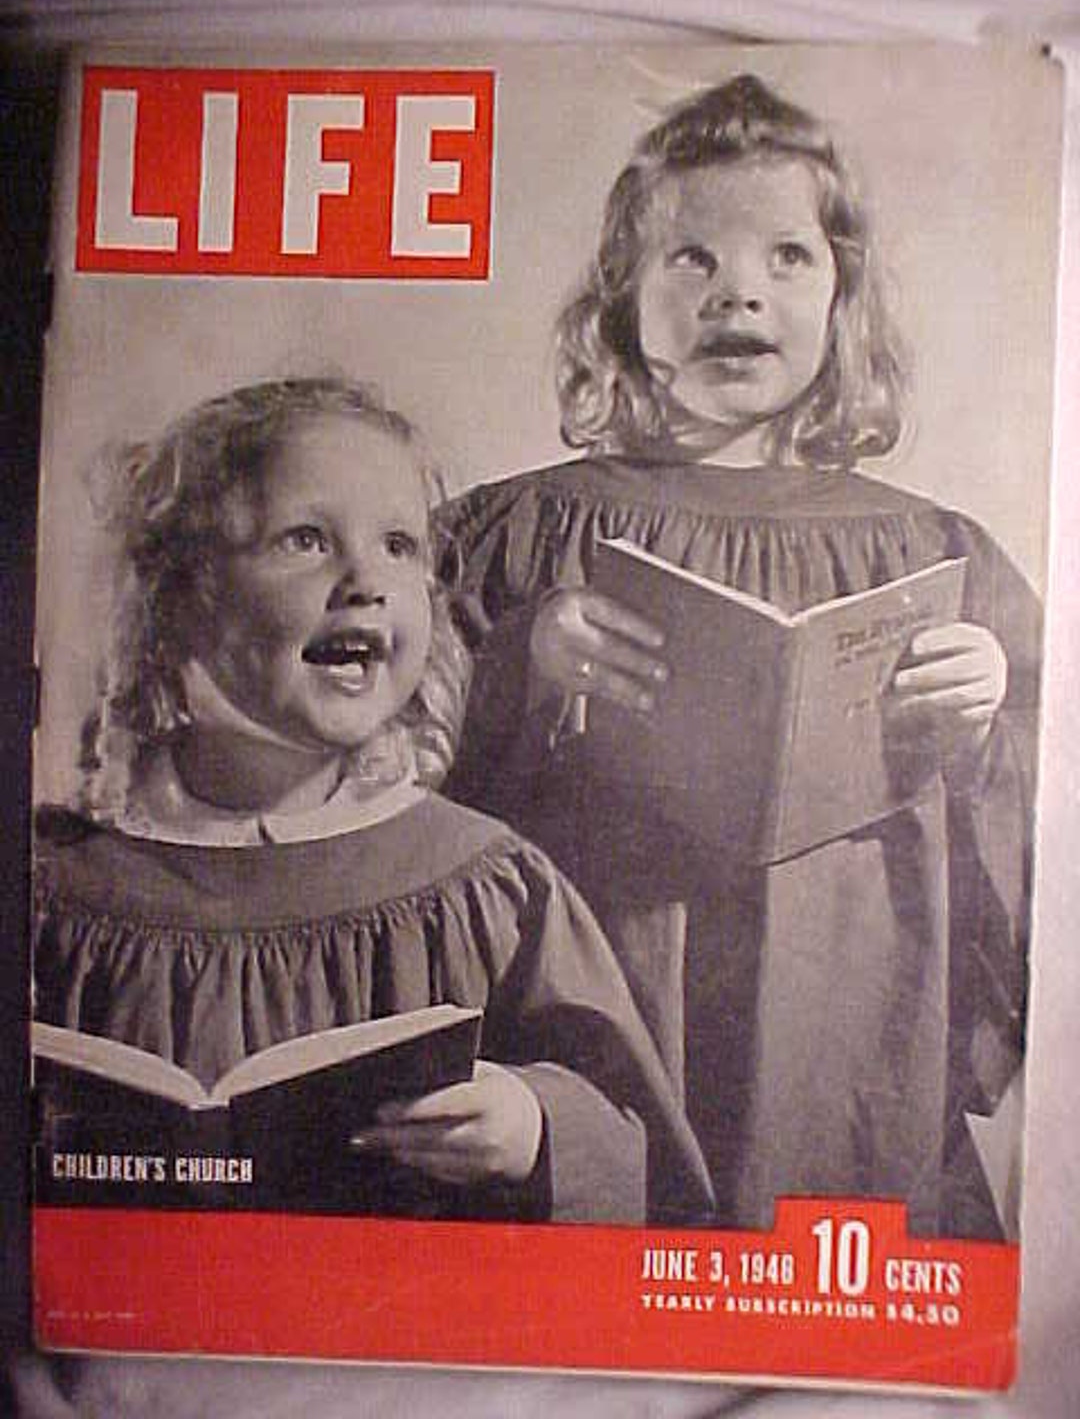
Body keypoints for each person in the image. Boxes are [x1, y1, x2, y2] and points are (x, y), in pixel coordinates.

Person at [441, 75, 1039, 1238]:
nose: (740, 296)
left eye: (786, 259)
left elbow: (1044, 830)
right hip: (594, 1008)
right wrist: (516, 664)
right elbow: (368, 773)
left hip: (851, 1038)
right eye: (693, 261)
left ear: (841, 293)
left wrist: (993, 714)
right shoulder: (516, 535)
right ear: (624, 293)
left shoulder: (934, 550)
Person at [32, 375, 712, 1228]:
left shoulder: (488, 887)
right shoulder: (58, 888)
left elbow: (644, 1156)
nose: (366, 581)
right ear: (181, 594)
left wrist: (533, 1123)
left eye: (400, 545)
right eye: (306, 539)